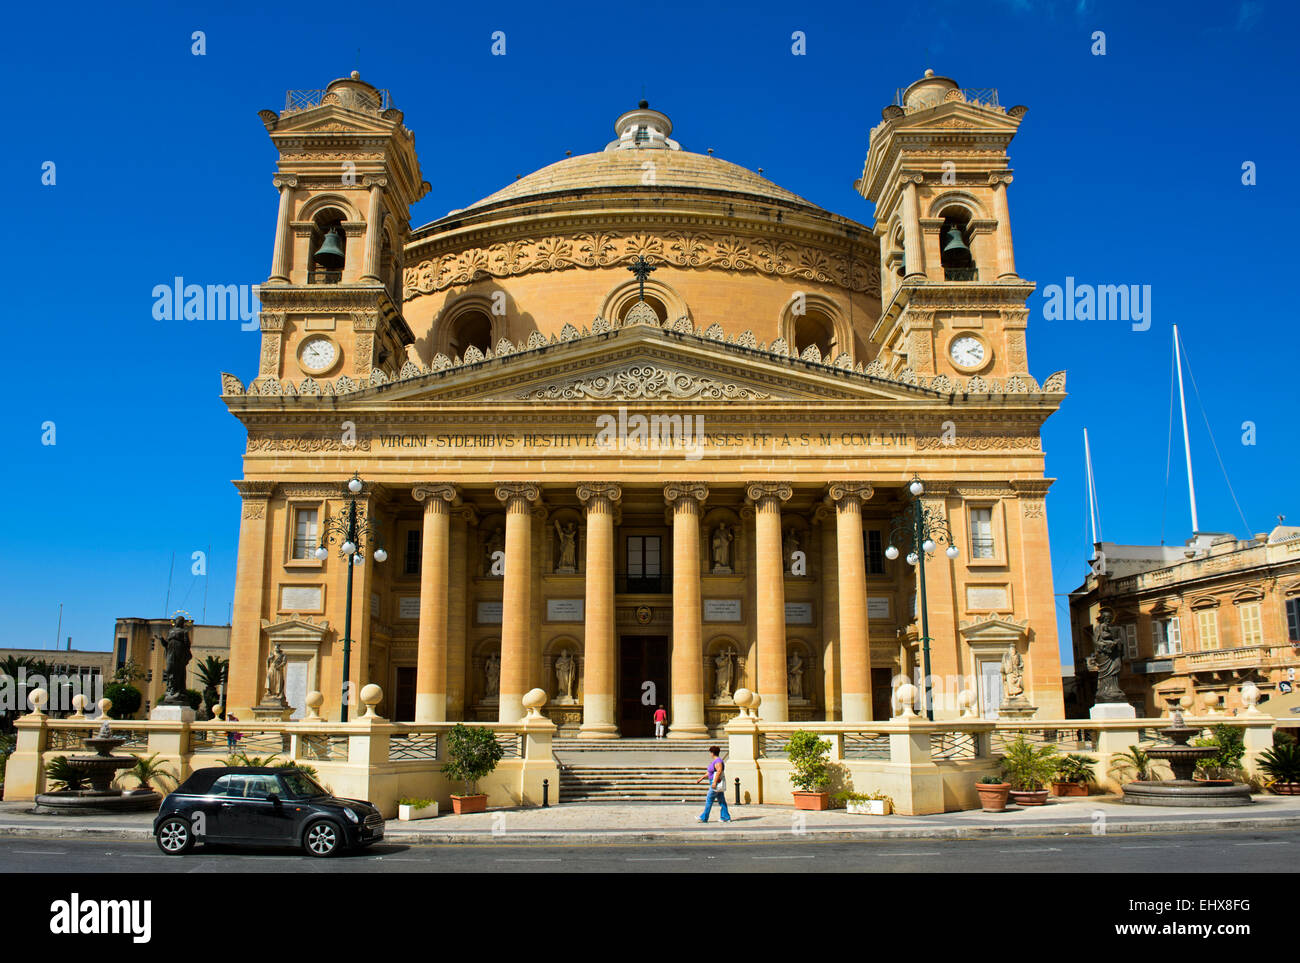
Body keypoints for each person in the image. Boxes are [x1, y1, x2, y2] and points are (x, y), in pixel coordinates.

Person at [696, 745, 731, 823]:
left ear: (712, 753)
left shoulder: (718, 761)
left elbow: (719, 771)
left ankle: (704, 817)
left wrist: (714, 782)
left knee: (709, 799)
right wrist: (701, 778)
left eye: (710, 752)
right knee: (722, 801)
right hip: (715, 782)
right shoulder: (716, 761)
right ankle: (725, 817)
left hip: (715, 783)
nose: (710, 754)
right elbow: (710, 772)